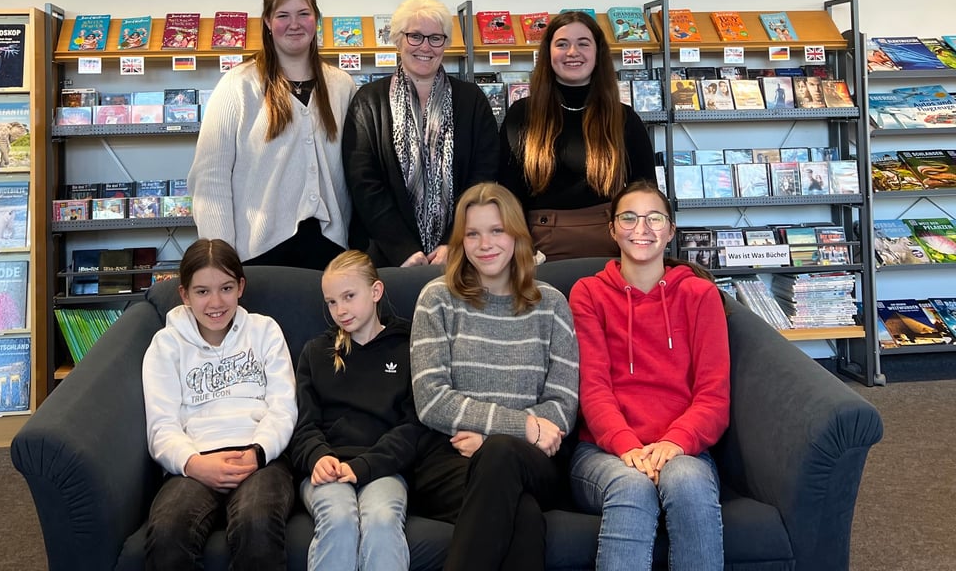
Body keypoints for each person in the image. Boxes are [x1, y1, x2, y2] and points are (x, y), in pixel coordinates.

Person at [408, 182, 580, 571]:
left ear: (517, 234)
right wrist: (524, 426)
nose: (485, 244)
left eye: (497, 230)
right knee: (523, 516)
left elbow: (562, 407)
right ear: (461, 241)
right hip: (450, 458)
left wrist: (493, 438)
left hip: (534, 459)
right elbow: (432, 400)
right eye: (473, 234)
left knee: (500, 453)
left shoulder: (551, 304)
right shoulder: (437, 299)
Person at [568, 181, 730, 571]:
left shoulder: (700, 295)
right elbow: (593, 389)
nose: (642, 228)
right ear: (612, 229)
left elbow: (713, 395)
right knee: (633, 485)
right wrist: (627, 447)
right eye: (629, 218)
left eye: (654, 218)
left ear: (671, 230)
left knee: (688, 481)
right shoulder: (588, 293)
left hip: (683, 449)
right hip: (604, 451)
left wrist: (675, 442)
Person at [142, 238, 297, 570]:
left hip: (260, 459)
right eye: (202, 291)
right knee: (168, 533)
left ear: (240, 287)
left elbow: (283, 407)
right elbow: (161, 426)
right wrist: (193, 463)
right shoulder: (166, 345)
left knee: (257, 523)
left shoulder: (265, 331)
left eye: (226, 288)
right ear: (184, 294)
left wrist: (257, 453)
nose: (215, 302)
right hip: (195, 461)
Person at [188, 0, 356, 269]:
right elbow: (210, 178)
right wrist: (222, 261)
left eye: (303, 14)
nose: (295, 24)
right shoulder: (238, 85)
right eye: (283, 15)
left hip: (332, 253)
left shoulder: (342, 86)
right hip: (259, 253)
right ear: (267, 21)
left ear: (316, 18)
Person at [290, 250, 424, 571]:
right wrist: (318, 457)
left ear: (375, 292)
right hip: (329, 468)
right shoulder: (316, 353)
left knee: (382, 519)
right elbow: (302, 425)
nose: (340, 310)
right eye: (331, 302)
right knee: (339, 519)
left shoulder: (408, 347)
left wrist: (364, 466)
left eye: (349, 296)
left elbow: (414, 427)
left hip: (384, 468)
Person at [342, 0, 499, 267]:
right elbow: (364, 183)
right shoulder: (368, 101)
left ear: (445, 44)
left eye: (435, 38)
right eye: (415, 36)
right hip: (387, 257)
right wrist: (403, 249)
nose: (425, 46)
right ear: (397, 40)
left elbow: (483, 176)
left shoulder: (472, 100)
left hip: (460, 253)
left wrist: (453, 241)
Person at [499, 10, 657, 261]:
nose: (573, 52)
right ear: (548, 53)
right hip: (538, 253)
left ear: (598, 53)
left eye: (583, 44)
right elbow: (509, 194)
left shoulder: (624, 118)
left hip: (612, 249)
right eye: (562, 44)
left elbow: (646, 194)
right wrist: (521, 250)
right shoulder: (521, 115)